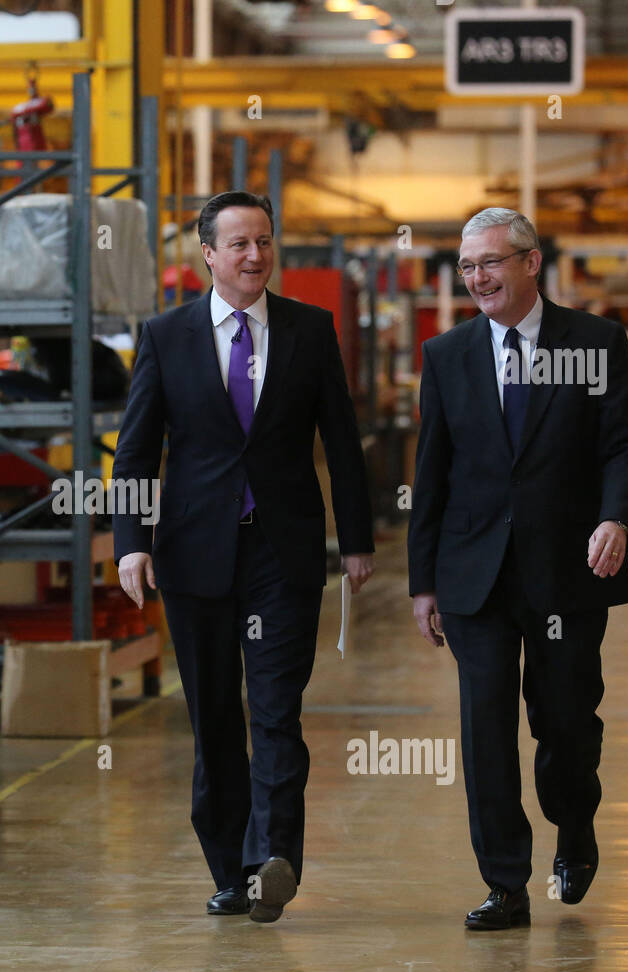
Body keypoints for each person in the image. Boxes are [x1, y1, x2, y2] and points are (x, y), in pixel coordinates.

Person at [113, 191, 375, 923]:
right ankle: (229, 868)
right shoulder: (166, 336)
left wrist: (355, 540)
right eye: (239, 245)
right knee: (215, 723)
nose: (255, 256)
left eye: (264, 242)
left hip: (283, 553)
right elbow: (135, 451)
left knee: (276, 713)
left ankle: (271, 861)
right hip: (194, 554)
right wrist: (131, 544)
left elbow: (343, 446)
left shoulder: (309, 331)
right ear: (207, 256)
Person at [408, 208, 628, 930]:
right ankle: (505, 883)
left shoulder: (595, 342)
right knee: (485, 728)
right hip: (473, 576)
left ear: (530, 263)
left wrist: (617, 517)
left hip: (567, 571)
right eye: (467, 267)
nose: (478, 278)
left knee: (566, 725)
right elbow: (434, 475)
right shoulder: (446, 354)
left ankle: (574, 831)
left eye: (491, 263)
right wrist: (423, 582)